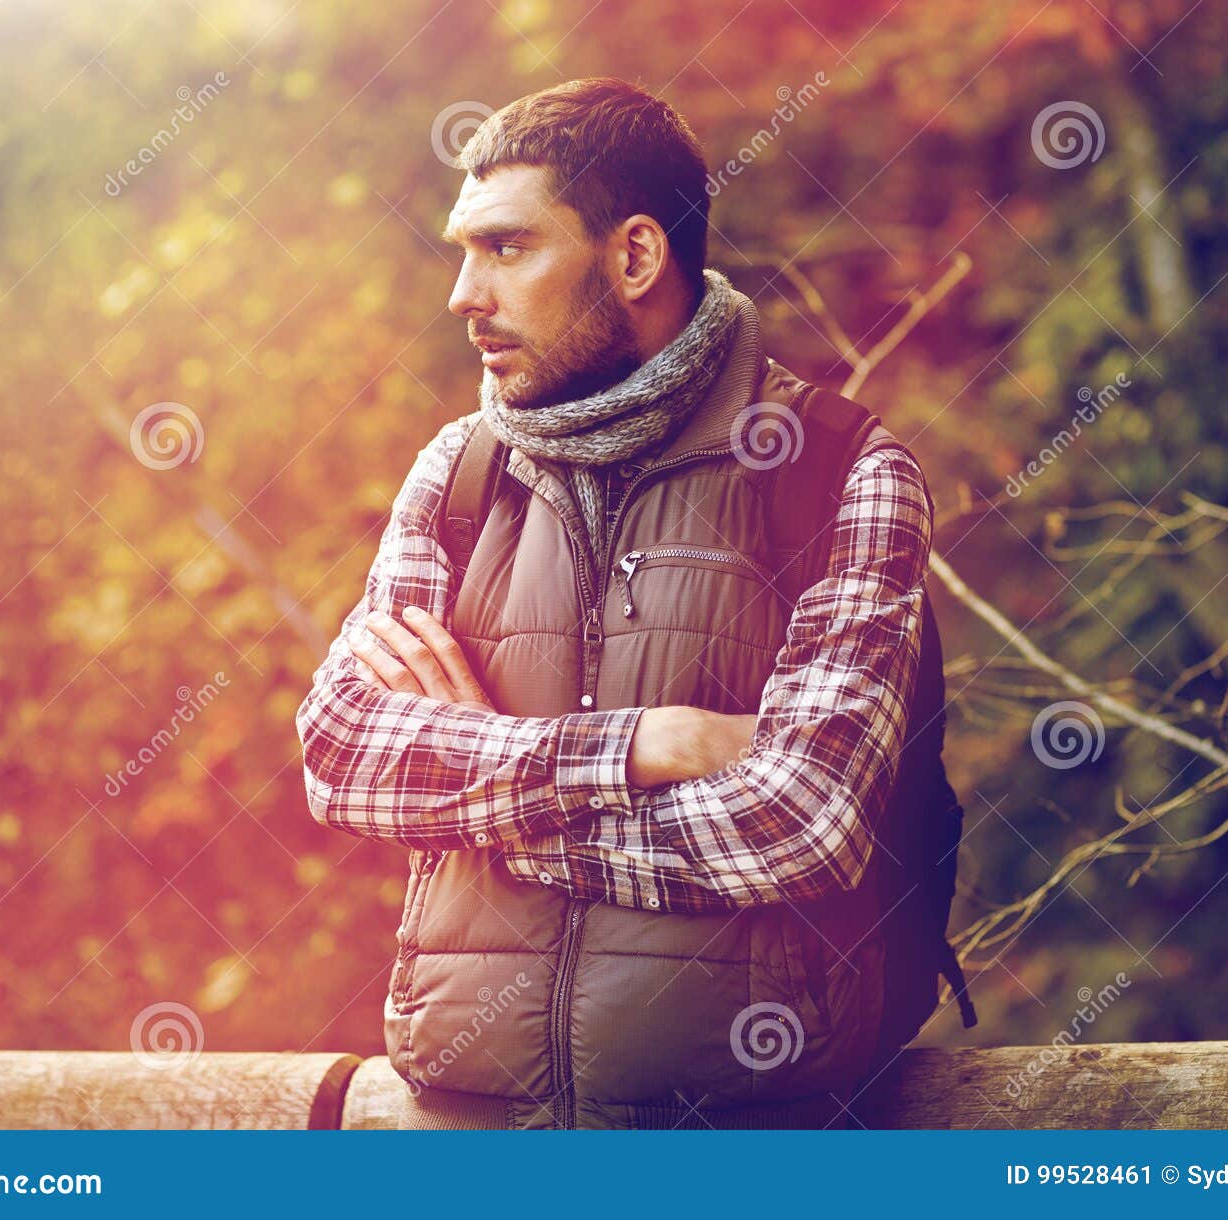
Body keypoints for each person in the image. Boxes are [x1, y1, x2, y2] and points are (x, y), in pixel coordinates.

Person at [295, 76, 933, 1129]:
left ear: (634, 256)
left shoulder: (838, 471)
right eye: (463, 248)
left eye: (506, 247)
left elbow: (798, 825)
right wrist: (647, 744)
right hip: (463, 1129)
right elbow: (344, 756)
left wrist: (482, 787)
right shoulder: (458, 472)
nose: (462, 293)